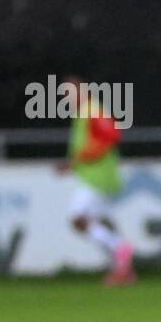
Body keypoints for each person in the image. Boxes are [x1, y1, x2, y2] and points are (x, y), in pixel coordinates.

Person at [58, 75, 134, 285]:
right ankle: (125, 270)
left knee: (78, 219)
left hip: (97, 177)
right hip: (95, 176)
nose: (69, 98)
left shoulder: (92, 110)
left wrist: (80, 159)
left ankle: (121, 249)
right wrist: (73, 164)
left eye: (72, 93)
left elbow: (112, 134)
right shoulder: (83, 113)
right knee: (101, 221)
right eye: (66, 94)